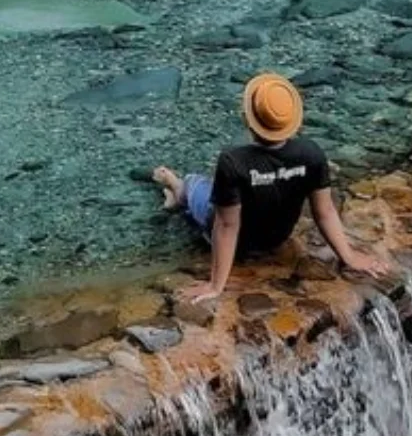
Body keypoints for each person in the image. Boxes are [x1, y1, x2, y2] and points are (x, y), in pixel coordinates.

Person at [152, 72, 391, 303]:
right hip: (276, 239)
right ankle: (178, 196)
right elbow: (325, 212)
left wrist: (216, 286)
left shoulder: (233, 161)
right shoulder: (311, 153)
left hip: (241, 242)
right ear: (293, 122)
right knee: (224, 191)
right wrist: (349, 256)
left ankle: (175, 187)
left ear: (248, 120)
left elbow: (226, 226)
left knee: (195, 185)